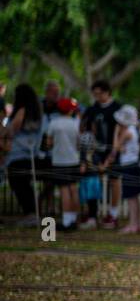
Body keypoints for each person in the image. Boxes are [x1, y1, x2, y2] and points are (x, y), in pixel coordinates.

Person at [1, 83, 47, 225]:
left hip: (18, 155)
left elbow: (12, 129)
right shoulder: (37, 111)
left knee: (18, 182)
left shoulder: (22, 110)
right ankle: (32, 212)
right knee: (23, 183)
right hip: (32, 154)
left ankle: (31, 213)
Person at [82, 80, 123, 227]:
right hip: (95, 152)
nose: (97, 97)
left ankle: (113, 214)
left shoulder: (118, 108)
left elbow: (122, 132)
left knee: (114, 181)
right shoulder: (92, 109)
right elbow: (86, 129)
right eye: (95, 94)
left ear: (107, 92)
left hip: (113, 151)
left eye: (99, 94)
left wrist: (113, 154)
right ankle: (92, 215)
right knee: (92, 180)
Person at [101, 105, 140, 234]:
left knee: (131, 198)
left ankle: (133, 224)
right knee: (134, 198)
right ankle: (138, 223)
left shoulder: (127, 131)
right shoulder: (133, 130)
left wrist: (115, 132)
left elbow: (116, 147)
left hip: (129, 166)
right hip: (134, 165)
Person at [44, 97, 82, 231]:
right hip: (74, 160)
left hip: (59, 161)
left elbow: (49, 143)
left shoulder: (54, 123)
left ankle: (66, 221)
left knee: (64, 190)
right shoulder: (75, 123)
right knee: (74, 190)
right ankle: (75, 219)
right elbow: (79, 144)